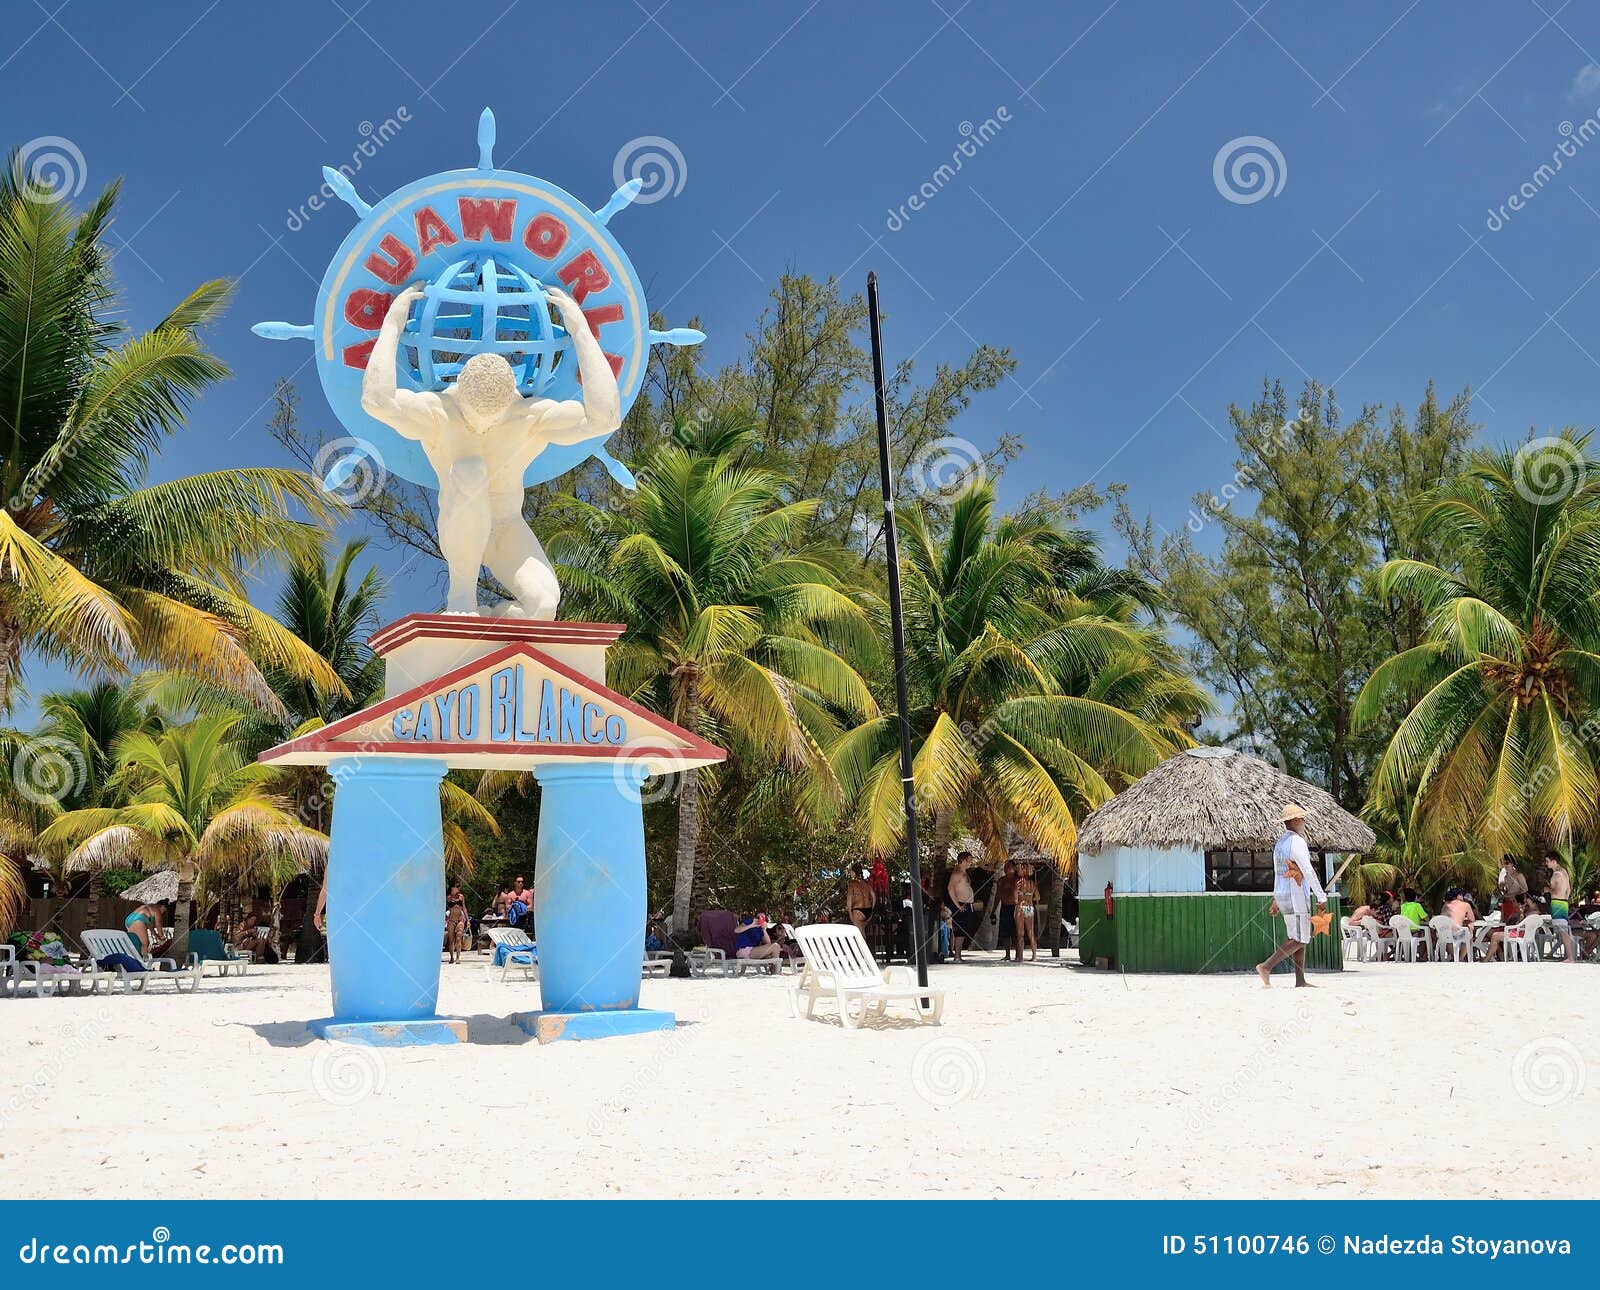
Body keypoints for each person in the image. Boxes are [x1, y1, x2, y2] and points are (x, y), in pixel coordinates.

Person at [362, 282, 621, 617]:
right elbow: (376, 401)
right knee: (471, 470)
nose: (481, 427)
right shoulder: (439, 413)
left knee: (543, 607)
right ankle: (461, 599)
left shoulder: (527, 418)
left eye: (490, 419)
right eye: (473, 417)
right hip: (461, 523)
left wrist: (580, 330)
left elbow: (605, 419)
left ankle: (492, 623)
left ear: (507, 404)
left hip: (506, 526)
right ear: (460, 397)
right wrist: (393, 324)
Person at [1256, 803, 1327, 988]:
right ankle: (1266, 966)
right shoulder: (1297, 842)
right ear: (1295, 820)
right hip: (1296, 895)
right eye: (1302, 818)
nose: (1304, 821)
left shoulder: (1280, 844)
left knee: (1297, 937)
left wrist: (1276, 897)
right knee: (1300, 938)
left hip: (1283, 894)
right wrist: (1321, 896)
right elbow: (1308, 870)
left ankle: (1300, 980)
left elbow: (1278, 873)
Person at [1542, 853, 1578, 962]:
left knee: (1563, 930)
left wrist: (1548, 890)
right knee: (1564, 929)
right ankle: (1568, 955)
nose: (1546, 863)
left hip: (1557, 902)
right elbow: (1568, 890)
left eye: (1547, 861)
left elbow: (1557, 890)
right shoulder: (1564, 871)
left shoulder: (1557, 874)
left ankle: (1570, 957)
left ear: (1554, 861)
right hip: (1563, 902)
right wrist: (1565, 899)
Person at [946, 852, 978, 963]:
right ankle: (957, 956)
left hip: (967, 905)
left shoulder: (964, 873)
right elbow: (950, 888)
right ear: (963, 860)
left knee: (964, 931)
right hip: (960, 904)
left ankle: (959, 955)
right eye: (969, 860)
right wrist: (957, 905)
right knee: (959, 931)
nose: (971, 862)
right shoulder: (957, 873)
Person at [1014, 862, 1039, 962]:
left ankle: (1020, 957)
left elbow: (1015, 898)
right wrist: (1030, 897)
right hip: (1029, 907)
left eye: (1020, 869)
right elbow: (1038, 896)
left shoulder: (1018, 883)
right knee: (1030, 932)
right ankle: (1034, 956)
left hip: (1021, 906)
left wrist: (1019, 895)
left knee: (1020, 933)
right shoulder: (1032, 883)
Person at [995, 861, 1019, 961]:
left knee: (1016, 932)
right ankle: (1007, 954)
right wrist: (993, 910)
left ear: (1014, 868)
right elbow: (998, 896)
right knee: (1005, 932)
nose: (1006, 868)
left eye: (1008, 866)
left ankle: (1018, 954)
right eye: (1005, 866)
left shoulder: (1017, 880)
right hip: (1004, 907)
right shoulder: (1001, 881)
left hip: (1015, 907)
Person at [844, 864, 876, 937]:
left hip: (858, 911)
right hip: (868, 910)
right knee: (862, 933)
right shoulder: (866, 883)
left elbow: (849, 900)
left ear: (854, 872)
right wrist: (872, 908)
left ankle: (863, 948)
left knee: (859, 936)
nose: (850, 873)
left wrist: (850, 913)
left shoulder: (851, 884)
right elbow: (874, 896)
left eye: (851, 872)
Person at [444, 885, 469, 964]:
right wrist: (445, 917)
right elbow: (443, 908)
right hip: (451, 920)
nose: (458, 888)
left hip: (460, 919)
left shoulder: (461, 897)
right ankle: (452, 957)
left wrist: (468, 920)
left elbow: (464, 908)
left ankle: (458, 957)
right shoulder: (448, 897)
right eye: (457, 887)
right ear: (452, 888)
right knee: (451, 940)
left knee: (458, 937)